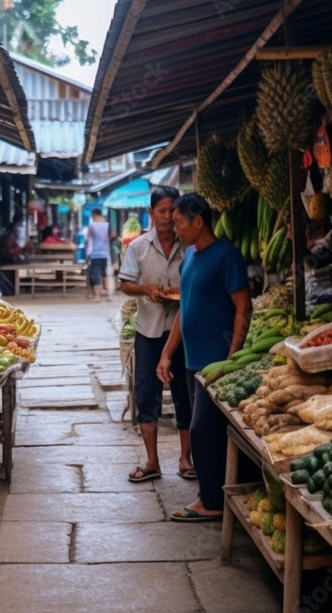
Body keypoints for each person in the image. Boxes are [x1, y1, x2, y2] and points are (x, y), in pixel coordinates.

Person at [156, 193, 251, 522]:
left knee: (202, 430)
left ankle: (212, 501)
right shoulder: (190, 258)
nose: (175, 227)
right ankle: (214, 494)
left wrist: (233, 355)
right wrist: (167, 353)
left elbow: (243, 306)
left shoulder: (226, 256)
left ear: (199, 221)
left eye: (179, 221)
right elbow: (184, 309)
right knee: (205, 433)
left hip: (217, 363)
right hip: (191, 360)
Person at [118, 187, 193, 483]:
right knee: (146, 394)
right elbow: (125, 284)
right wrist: (146, 290)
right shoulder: (138, 247)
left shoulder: (188, 245)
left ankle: (185, 459)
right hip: (148, 331)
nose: (166, 217)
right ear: (150, 213)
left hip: (182, 332)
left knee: (184, 395)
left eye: (171, 211)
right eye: (161, 211)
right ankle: (152, 461)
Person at [86, 208, 114, 301]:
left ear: (94, 215)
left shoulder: (92, 226)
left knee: (96, 274)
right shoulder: (107, 225)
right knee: (104, 274)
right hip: (105, 253)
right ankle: (107, 294)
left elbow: (88, 239)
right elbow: (113, 235)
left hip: (95, 253)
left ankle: (97, 296)